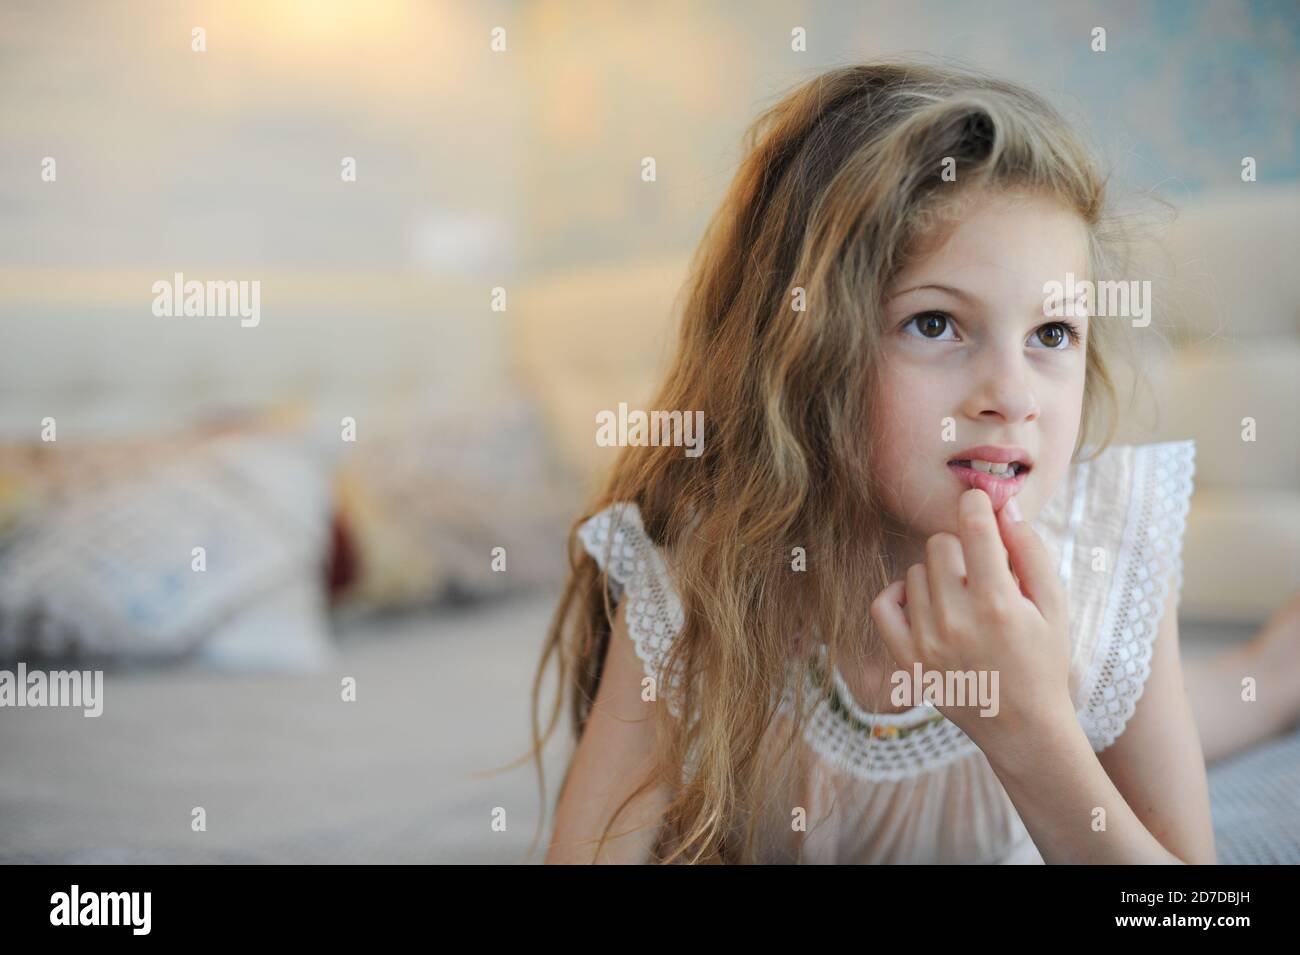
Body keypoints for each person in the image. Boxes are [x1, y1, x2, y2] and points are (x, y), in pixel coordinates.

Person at [529, 60, 1295, 864]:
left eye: (1052, 334)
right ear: (801, 356)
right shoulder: (695, 578)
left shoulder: (1111, 561)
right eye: (936, 324)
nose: (1012, 396)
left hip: (1084, 692)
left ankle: (1275, 671)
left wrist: (1030, 726)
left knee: (1242, 694)